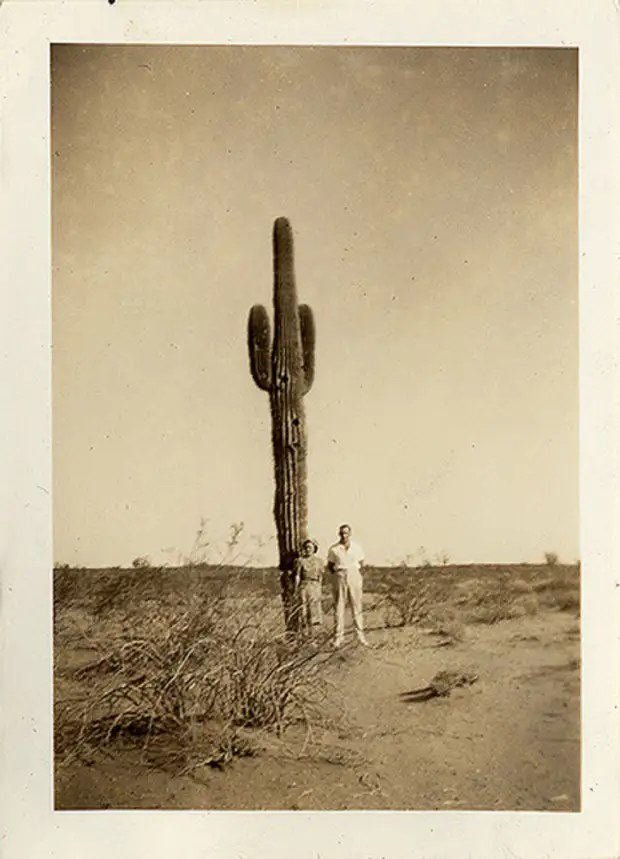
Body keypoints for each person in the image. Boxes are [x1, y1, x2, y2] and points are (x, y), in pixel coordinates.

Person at [326, 524, 370, 648]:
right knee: (339, 606)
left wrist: (353, 572)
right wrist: (339, 574)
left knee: (356, 605)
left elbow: (361, 562)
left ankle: (360, 636)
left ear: (350, 534)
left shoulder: (357, 547)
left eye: (346, 533)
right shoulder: (334, 549)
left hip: (353, 574)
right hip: (339, 574)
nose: (344, 535)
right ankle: (338, 637)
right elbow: (330, 565)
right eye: (342, 533)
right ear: (338, 534)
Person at [293, 537, 324, 636]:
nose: (308, 549)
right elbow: (297, 576)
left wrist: (319, 589)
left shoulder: (319, 561)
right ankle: (303, 635)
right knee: (303, 611)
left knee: (314, 611)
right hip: (304, 586)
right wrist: (296, 589)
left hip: (314, 587)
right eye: (306, 547)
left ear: (314, 548)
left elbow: (320, 577)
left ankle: (313, 635)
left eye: (310, 547)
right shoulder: (300, 561)